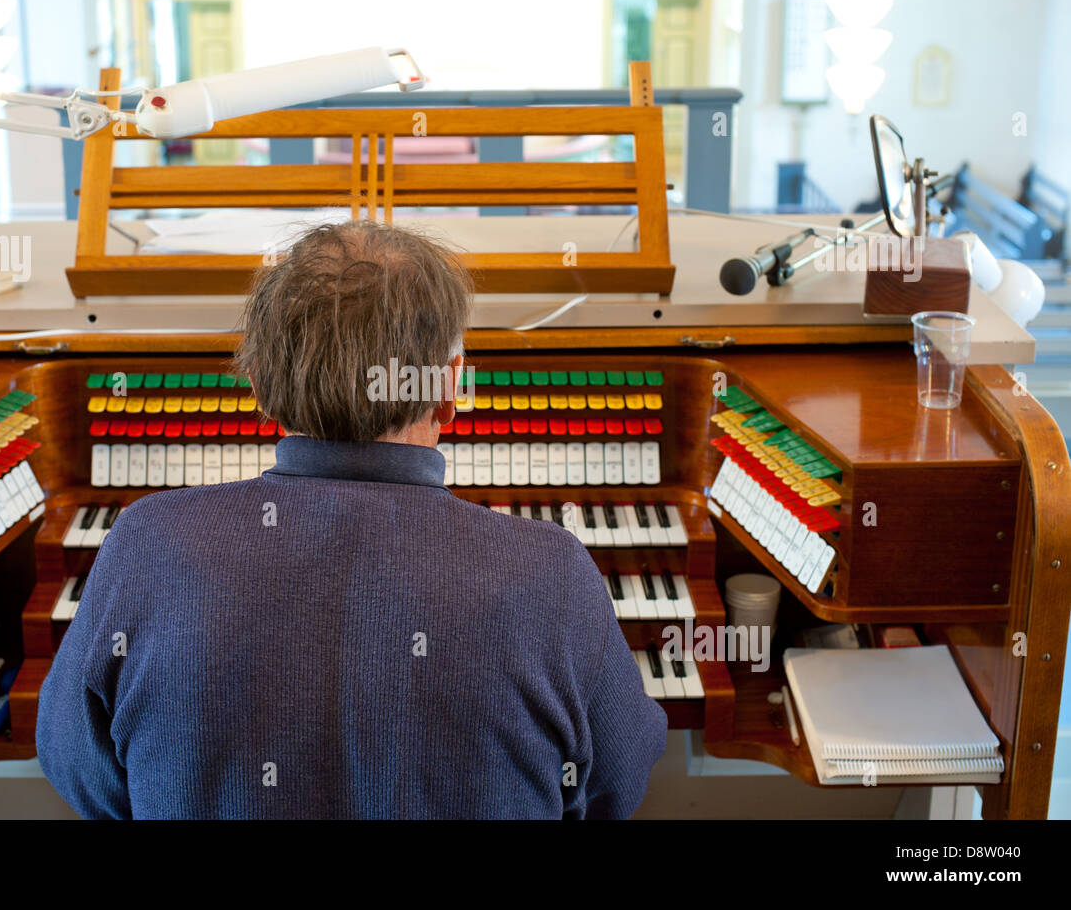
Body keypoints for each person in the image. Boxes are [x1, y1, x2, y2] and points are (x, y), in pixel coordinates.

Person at [37, 219, 666, 818]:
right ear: (450, 388)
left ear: (258, 387)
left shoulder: (147, 543)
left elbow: (85, 778)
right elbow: (615, 786)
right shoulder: (550, 570)